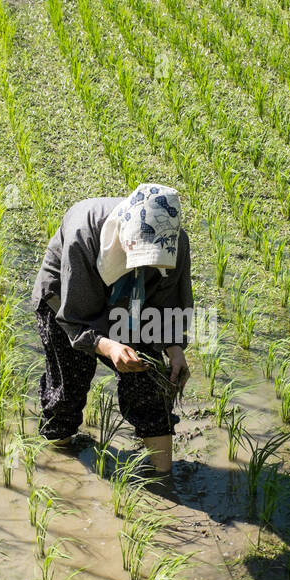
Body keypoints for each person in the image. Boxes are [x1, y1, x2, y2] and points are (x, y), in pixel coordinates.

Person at [31, 183, 193, 474]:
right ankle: (57, 468)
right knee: (69, 387)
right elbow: (75, 317)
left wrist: (175, 348)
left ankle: (163, 479)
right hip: (66, 301)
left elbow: (168, 302)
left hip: (132, 303)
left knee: (149, 382)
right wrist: (108, 345)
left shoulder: (175, 242)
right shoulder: (85, 234)